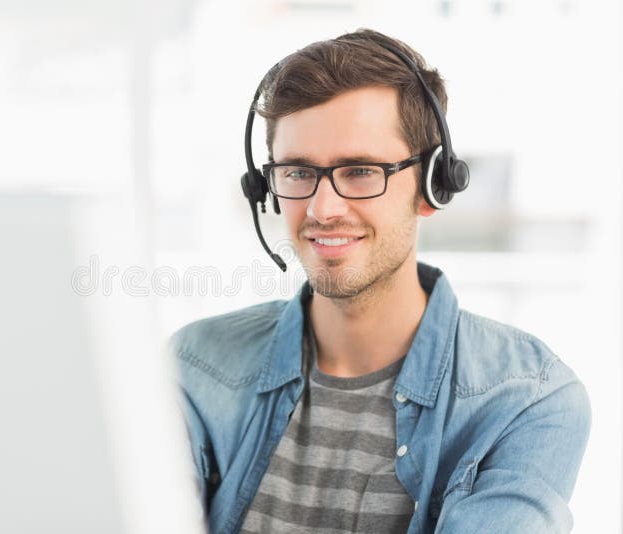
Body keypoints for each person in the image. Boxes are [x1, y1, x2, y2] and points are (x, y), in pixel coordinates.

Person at [170, 29, 590, 534]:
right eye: (298, 173)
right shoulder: (193, 366)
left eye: (362, 171)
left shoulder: (527, 400)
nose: (323, 209)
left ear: (433, 184)